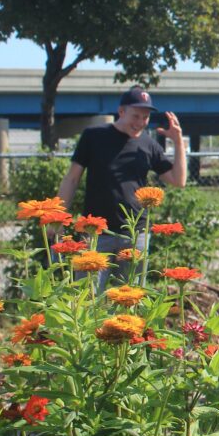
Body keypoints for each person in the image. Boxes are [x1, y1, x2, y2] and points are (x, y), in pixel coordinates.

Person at [57, 86, 186, 287]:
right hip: (95, 232)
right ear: (121, 112)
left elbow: (178, 180)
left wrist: (178, 142)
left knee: (130, 299)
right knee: (88, 297)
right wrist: (58, 216)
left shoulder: (149, 144)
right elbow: (72, 179)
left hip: (135, 234)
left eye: (145, 117)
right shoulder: (93, 136)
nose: (140, 122)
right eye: (136, 116)